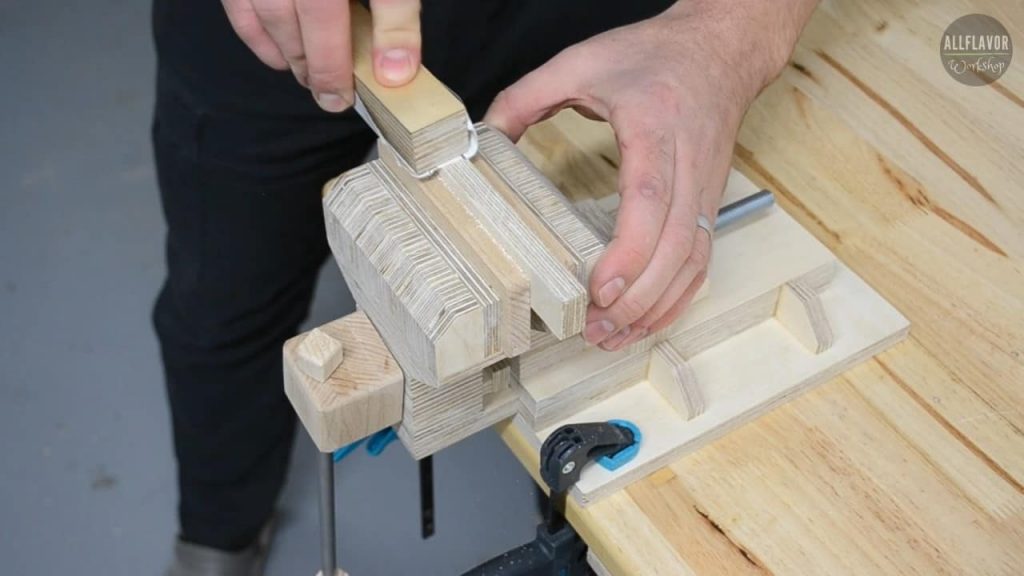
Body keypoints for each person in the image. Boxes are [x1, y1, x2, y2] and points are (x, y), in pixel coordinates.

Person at [153, 0, 817, 573]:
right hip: (292, 30)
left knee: (576, 340)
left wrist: (730, 31)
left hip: (585, 20)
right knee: (220, 308)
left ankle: (569, 518)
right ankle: (218, 532)